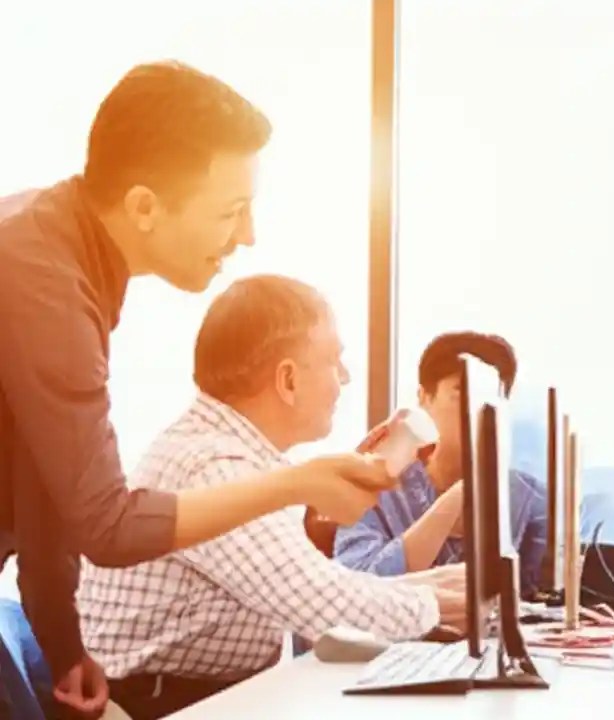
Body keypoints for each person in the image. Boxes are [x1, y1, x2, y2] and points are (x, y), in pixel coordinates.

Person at [0, 61, 394, 718]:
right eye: (231, 212)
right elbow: (109, 528)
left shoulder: (57, 245)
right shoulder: (48, 287)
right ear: (144, 206)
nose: (248, 236)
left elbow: (48, 498)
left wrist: (68, 655)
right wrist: (296, 483)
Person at [76, 275, 461, 719]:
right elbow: (323, 606)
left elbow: (314, 586)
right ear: (288, 380)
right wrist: (437, 606)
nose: (347, 378)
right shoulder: (213, 465)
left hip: (204, 697)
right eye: (335, 362)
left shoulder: (241, 457)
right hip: (165, 706)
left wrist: (423, 589)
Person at [333, 332, 548, 598]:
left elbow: (538, 603)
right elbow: (352, 588)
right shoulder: (377, 486)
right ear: (424, 397)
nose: (478, 412)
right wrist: (452, 503)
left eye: (493, 399)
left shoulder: (531, 498)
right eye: (462, 395)